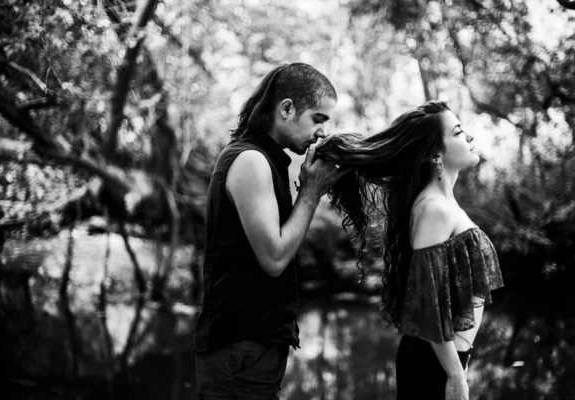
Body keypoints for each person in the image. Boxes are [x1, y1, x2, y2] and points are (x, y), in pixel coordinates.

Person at [316, 100, 504, 399]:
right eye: (457, 132)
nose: (469, 136)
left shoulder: (441, 204)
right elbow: (429, 301)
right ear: (434, 154)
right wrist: (455, 374)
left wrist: (458, 367)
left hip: (443, 359)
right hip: (434, 364)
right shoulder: (434, 209)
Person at [192, 63, 347, 400]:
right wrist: (310, 193)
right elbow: (274, 257)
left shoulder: (267, 160)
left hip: (250, 351)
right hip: (238, 352)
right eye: (318, 119)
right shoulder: (251, 161)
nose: (322, 132)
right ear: (287, 109)